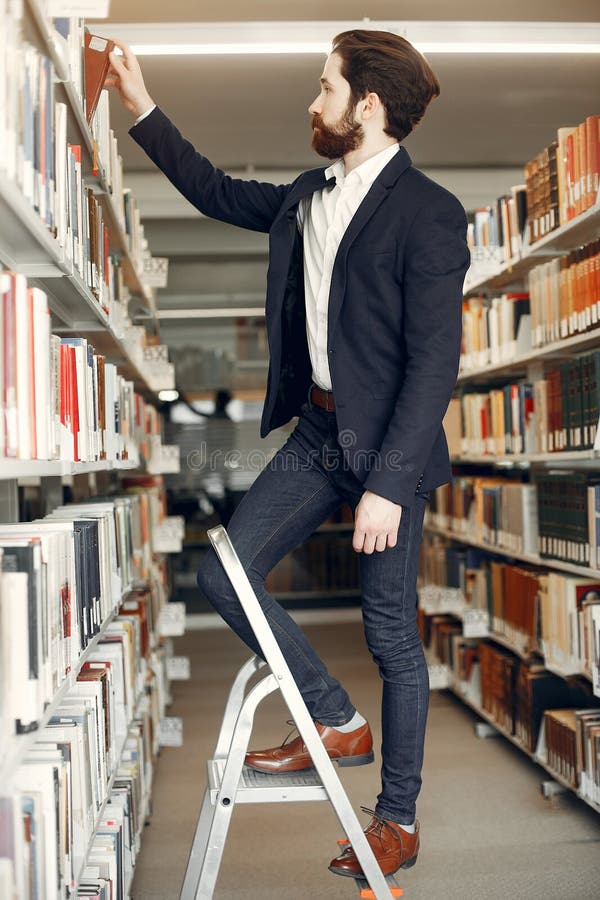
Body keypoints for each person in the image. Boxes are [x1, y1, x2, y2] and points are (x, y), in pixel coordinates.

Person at [105, 29, 470, 879]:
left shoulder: (430, 214)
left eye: (325, 87)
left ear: (366, 106)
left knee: (389, 633)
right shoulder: (311, 194)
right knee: (221, 572)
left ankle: (399, 819)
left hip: (388, 450)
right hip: (317, 430)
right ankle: (334, 718)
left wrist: (388, 485)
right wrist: (141, 106)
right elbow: (217, 192)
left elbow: (434, 366)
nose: (313, 102)